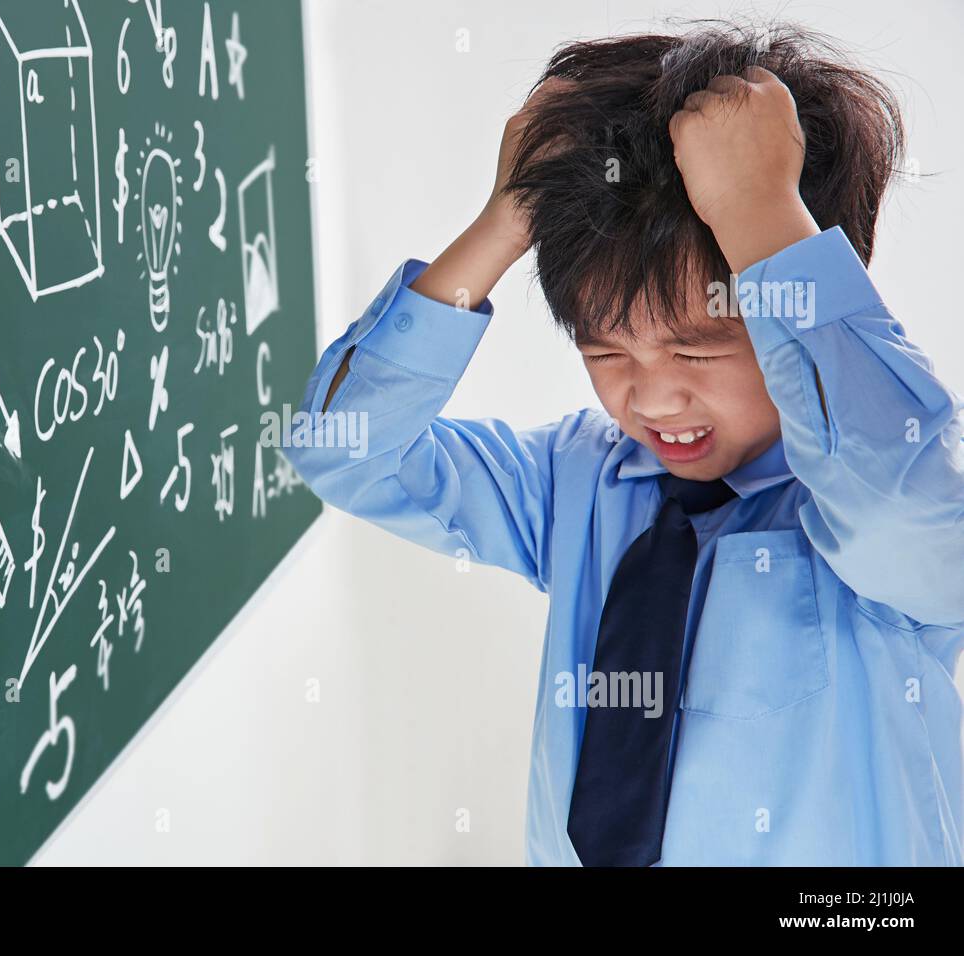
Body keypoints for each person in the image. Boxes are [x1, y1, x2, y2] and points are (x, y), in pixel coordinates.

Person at [286, 21, 964, 866]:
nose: (649, 396)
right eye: (604, 351)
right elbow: (341, 449)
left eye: (696, 350)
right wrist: (508, 216)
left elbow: (910, 510)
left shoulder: (875, 503)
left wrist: (766, 221)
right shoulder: (579, 479)